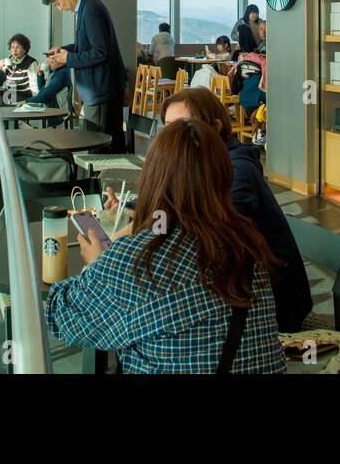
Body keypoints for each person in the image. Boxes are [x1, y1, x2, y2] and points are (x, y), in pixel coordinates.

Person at [45, 119, 286, 373]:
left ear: (153, 177)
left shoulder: (139, 260)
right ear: (224, 176)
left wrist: (97, 265)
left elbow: (61, 316)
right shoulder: (249, 245)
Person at [149, 88, 313, 332]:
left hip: (271, 306)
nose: (175, 137)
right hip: (233, 290)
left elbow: (215, 238)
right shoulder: (197, 163)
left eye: (183, 126)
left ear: (214, 126)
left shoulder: (237, 170)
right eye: (169, 128)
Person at [42, 0, 128, 152]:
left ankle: (104, 180)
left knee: (99, 146)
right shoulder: (85, 7)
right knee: (96, 143)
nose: (59, 9)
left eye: (58, 4)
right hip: (97, 90)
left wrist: (68, 59)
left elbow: (100, 51)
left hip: (102, 90)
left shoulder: (90, 9)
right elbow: (87, 45)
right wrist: (63, 50)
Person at [0, 33, 42, 102]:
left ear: (25, 49)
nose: (14, 50)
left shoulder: (31, 63)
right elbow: (1, 85)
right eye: (12, 47)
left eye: (18, 47)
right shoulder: (7, 62)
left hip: (22, 99)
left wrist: (36, 101)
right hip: (7, 98)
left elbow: (34, 86)